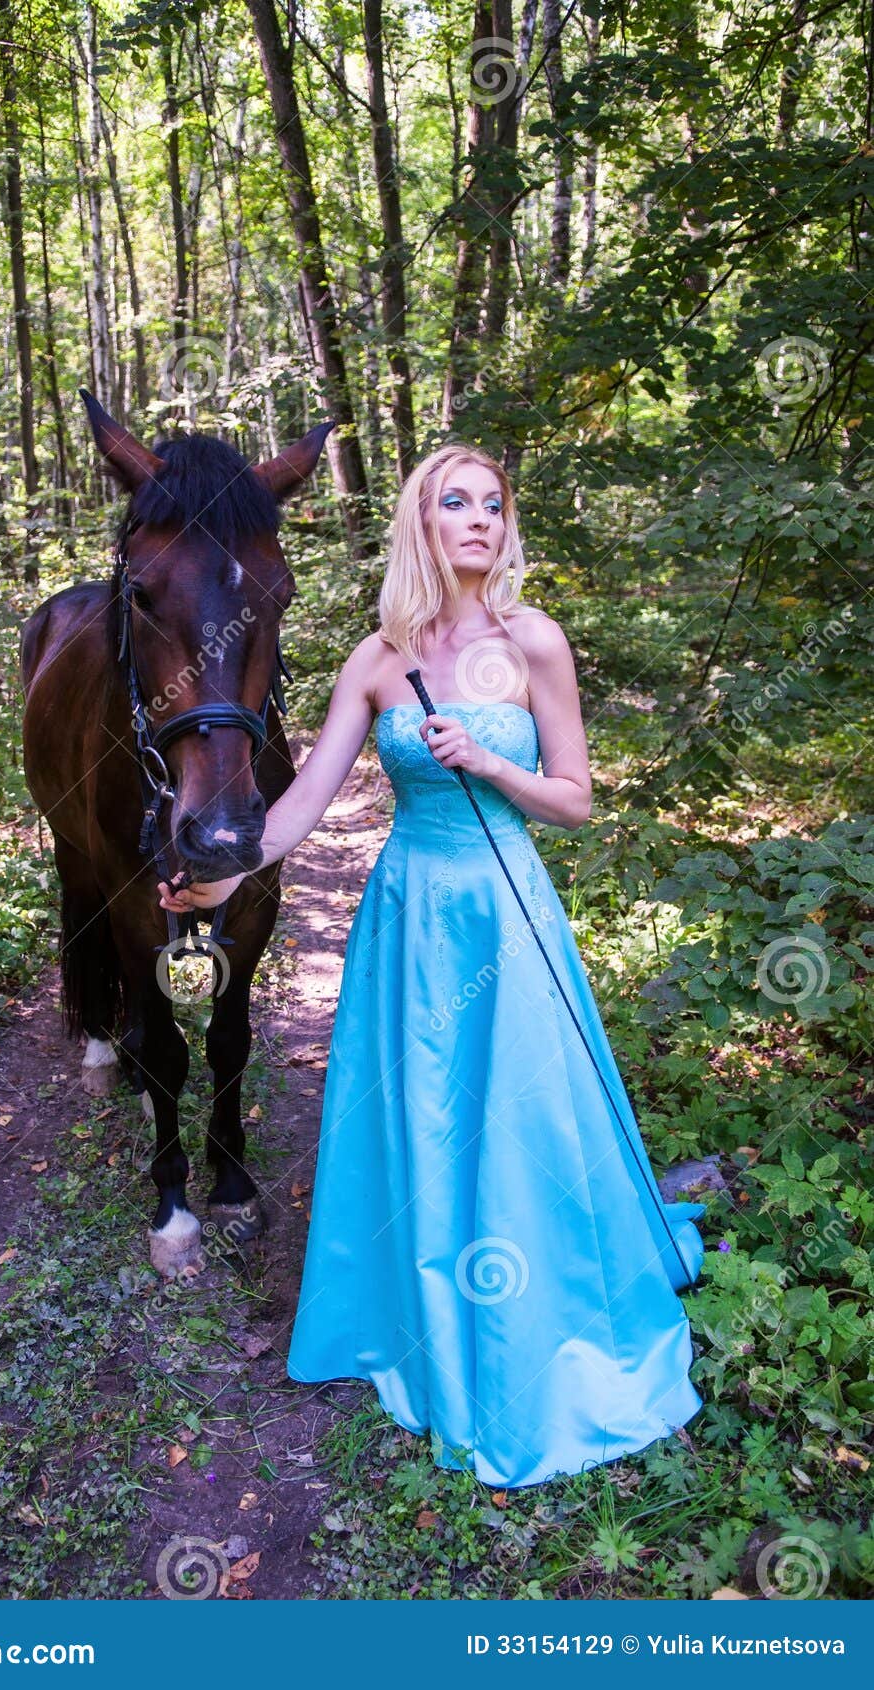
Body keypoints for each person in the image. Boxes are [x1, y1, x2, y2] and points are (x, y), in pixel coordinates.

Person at [158, 443, 703, 1490]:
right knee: (424, 1113)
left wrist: (491, 762)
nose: (480, 519)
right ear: (422, 521)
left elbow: (575, 800)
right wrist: (216, 887)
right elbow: (300, 806)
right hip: (407, 914)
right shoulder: (377, 659)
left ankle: (532, 1314)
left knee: (517, 1112)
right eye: (457, 502)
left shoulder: (533, 639)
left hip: (503, 910)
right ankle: (418, 1308)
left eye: (493, 504)